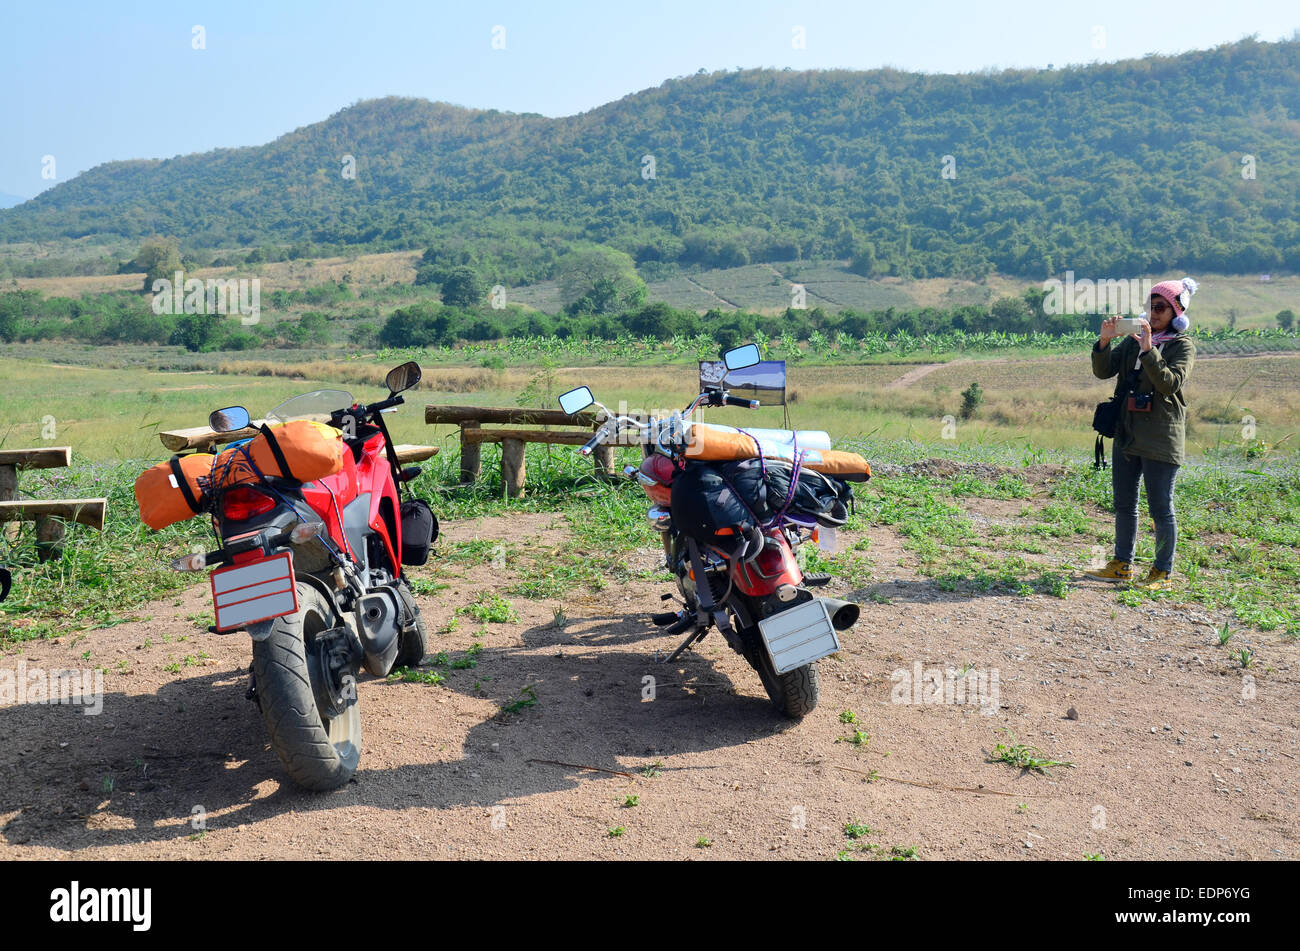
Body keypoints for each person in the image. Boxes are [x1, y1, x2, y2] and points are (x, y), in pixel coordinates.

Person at [1084, 278, 1198, 589]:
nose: (1154, 312)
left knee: (1160, 507)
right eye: (1150, 306)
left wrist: (1150, 350)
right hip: (1127, 432)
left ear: (1177, 313)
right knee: (1124, 503)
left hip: (1161, 437)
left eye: (1161, 307)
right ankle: (1122, 564)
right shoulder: (1133, 341)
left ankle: (1162, 571)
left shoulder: (1181, 345)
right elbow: (1103, 371)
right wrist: (1105, 341)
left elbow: (1169, 383)